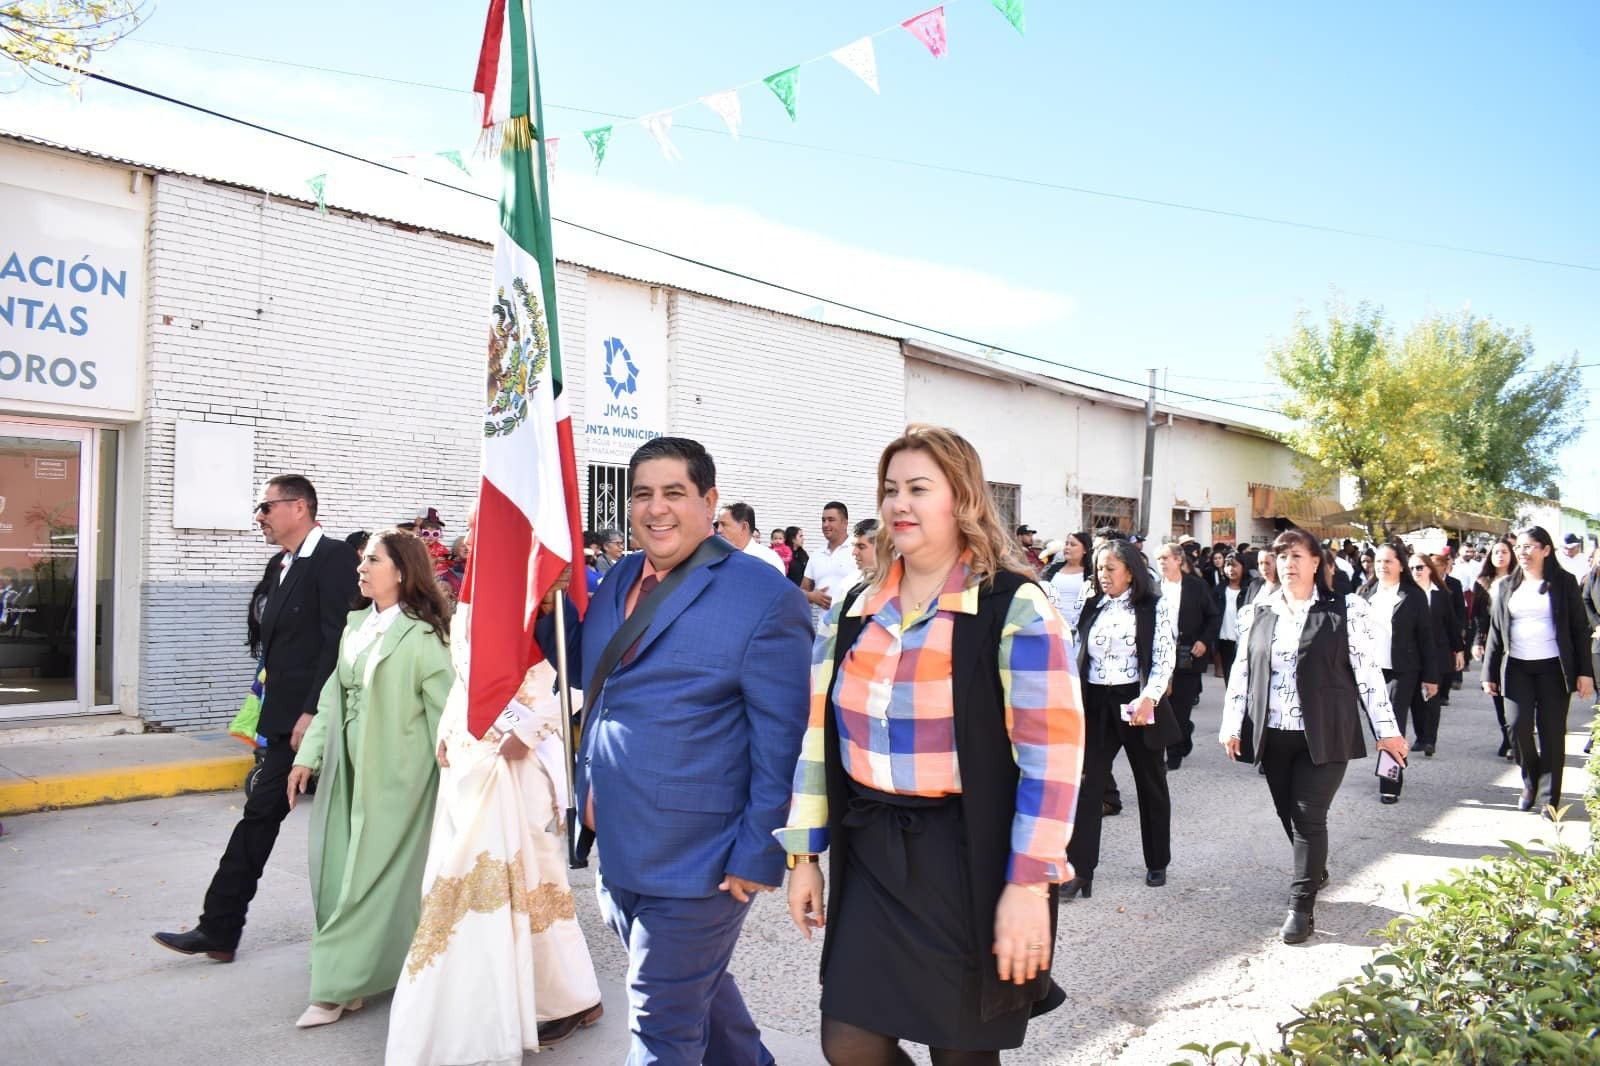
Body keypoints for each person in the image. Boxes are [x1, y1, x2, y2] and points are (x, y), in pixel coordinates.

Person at [779, 423, 1082, 1064]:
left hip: (969, 857)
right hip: (872, 855)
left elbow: (1052, 761)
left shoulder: (1014, 606)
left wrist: (1030, 886)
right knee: (850, 1042)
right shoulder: (854, 609)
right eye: (891, 490)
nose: (899, 504)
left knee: (961, 1055)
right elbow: (816, 735)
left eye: (919, 488)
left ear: (963, 500)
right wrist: (804, 853)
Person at [542, 436, 813, 1065]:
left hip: (702, 862)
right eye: (642, 494)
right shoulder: (616, 581)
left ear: (709, 501)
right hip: (617, 841)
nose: (656, 509)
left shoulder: (765, 596)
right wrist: (546, 599)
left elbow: (781, 743)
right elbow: (590, 668)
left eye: (674, 493)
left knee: (659, 1021)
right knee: (699, 991)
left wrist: (759, 851)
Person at [385, 514, 602, 1063]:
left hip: (520, 759)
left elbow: (575, 681)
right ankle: (501, 991)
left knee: (536, 874)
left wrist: (527, 730)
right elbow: (465, 675)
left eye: (487, 529)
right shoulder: (470, 593)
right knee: (471, 879)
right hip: (470, 756)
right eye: (473, 529)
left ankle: (570, 996)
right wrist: (446, 728)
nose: (472, 538)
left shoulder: (543, 599)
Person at [154, 475, 359, 963]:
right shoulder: (281, 563)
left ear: (300, 508)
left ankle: (227, 928)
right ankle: (220, 928)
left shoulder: (332, 559)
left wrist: (312, 711)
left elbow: (338, 640)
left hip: (313, 720)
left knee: (324, 821)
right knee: (260, 817)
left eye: (266, 507)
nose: (259, 517)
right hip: (282, 718)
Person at [283, 529, 453, 1027]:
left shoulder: (424, 636)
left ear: (400, 571)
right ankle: (367, 975)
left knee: (368, 877)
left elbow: (445, 712)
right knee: (339, 868)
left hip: (399, 774)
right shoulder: (356, 624)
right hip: (346, 766)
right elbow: (334, 696)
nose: (361, 568)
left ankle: (334, 987)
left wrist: (456, 767)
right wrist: (307, 757)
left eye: (371, 560)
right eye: (362, 561)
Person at [1220, 528, 1407, 944]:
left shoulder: (1345, 609)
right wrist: (1232, 725)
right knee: (1288, 812)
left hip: (1325, 732)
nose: (1288, 563)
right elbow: (1242, 671)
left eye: (1297, 556)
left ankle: (1300, 906)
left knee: (1308, 817)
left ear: (1318, 563)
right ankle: (1314, 868)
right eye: (1282, 555)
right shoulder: (1258, 610)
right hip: (1273, 733)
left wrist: (1387, 732)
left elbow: (1368, 673)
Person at [1063, 537, 1178, 899]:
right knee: (1087, 783)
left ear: (1130, 572)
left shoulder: (1152, 606)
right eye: (1098, 568)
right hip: (1096, 700)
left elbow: (1163, 660)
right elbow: (1075, 647)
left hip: (1136, 702)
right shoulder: (1091, 602)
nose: (1103, 575)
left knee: (1150, 781)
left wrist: (1150, 697)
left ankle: (1157, 860)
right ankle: (1081, 870)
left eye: (1110, 568)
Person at [1480, 526, 1595, 814]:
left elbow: (1580, 630)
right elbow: (1496, 631)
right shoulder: (1507, 585)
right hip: (1516, 667)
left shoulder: (1564, 582)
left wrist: (1585, 672)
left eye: (1530, 546)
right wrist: (1488, 673)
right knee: (1517, 727)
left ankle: (1549, 797)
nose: (1523, 552)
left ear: (1545, 550)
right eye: (1519, 547)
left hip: (1553, 669)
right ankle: (1530, 778)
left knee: (1552, 732)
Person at [1358, 543, 1439, 803]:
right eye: (1378, 561)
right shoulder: (1364, 593)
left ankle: (1390, 782)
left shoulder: (1412, 596)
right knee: (1377, 723)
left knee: (1390, 723)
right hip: (1370, 670)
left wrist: (1431, 676)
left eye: (1388, 561)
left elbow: (1427, 637)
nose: (1382, 566)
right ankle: (1392, 758)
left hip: (1401, 671)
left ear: (1400, 565)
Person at [1154, 542, 1220, 771]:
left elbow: (1213, 617)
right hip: (1160, 656)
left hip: (1188, 654)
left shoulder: (1196, 586)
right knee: (1162, 707)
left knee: (1180, 707)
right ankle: (1179, 737)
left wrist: (1203, 641)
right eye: (1159, 559)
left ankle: (1173, 755)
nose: (1161, 563)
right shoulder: (1153, 588)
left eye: (1166, 558)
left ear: (1179, 560)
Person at [1408, 553, 1464, 757]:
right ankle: (1421, 736)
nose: (1416, 572)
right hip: (1413, 655)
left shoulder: (1441, 594)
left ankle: (1430, 739)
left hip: (1438, 653)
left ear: (1430, 569)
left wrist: (1459, 651)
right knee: (1416, 699)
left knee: (1433, 697)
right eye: (1412, 568)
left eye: (1420, 567)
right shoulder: (1406, 594)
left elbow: (1451, 625)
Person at [1468, 537, 1517, 757]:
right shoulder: (1483, 583)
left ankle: (1517, 735)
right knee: (1496, 688)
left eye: (1504, 552)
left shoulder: (1519, 579)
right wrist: (1478, 641)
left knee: (1514, 690)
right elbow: (1478, 616)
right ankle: (1507, 737)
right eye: (1496, 552)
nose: (1500, 556)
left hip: (1516, 641)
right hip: (1492, 641)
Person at [803, 502, 857, 618]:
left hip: (852, 630)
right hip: (823, 631)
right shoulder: (816, 555)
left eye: (831, 520)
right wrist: (811, 596)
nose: (825, 524)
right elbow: (802, 590)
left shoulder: (858, 550)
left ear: (844, 523)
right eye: (823, 520)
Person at [718, 501, 787, 573]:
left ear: (744, 527)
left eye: (724, 524)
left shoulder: (768, 559)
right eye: (718, 525)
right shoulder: (719, 557)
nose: (719, 530)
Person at [1043, 532, 1092, 631]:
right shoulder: (1053, 570)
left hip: (1078, 631)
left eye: (1073, 545)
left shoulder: (1091, 573)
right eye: (1066, 544)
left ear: (1085, 549)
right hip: (1053, 629)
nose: (1067, 547)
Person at [1213, 552, 1249, 683]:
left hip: (1244, 642)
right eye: (1228, 565)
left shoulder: (1250, 589)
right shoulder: (1219, 590)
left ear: (1243, 567)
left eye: (1234, 565)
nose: (1231, 569)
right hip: (1225, 642)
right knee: (1230, 679)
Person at [849, 517, 880, 586]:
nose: (854, 553)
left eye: (861, 547)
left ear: (881, 548)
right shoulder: (850, 581)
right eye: (854, 546)